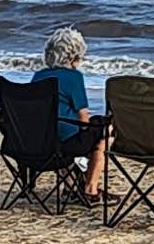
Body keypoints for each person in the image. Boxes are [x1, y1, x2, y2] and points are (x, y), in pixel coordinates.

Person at [37, 26, 109, 202]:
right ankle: (91, 189)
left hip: (39, 141)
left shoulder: (39, 76)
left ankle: (69, 187)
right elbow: (83, 117)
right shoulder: (73, 77)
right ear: (73, 58)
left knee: (59, 128)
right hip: (66, 145)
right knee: (105, 130)